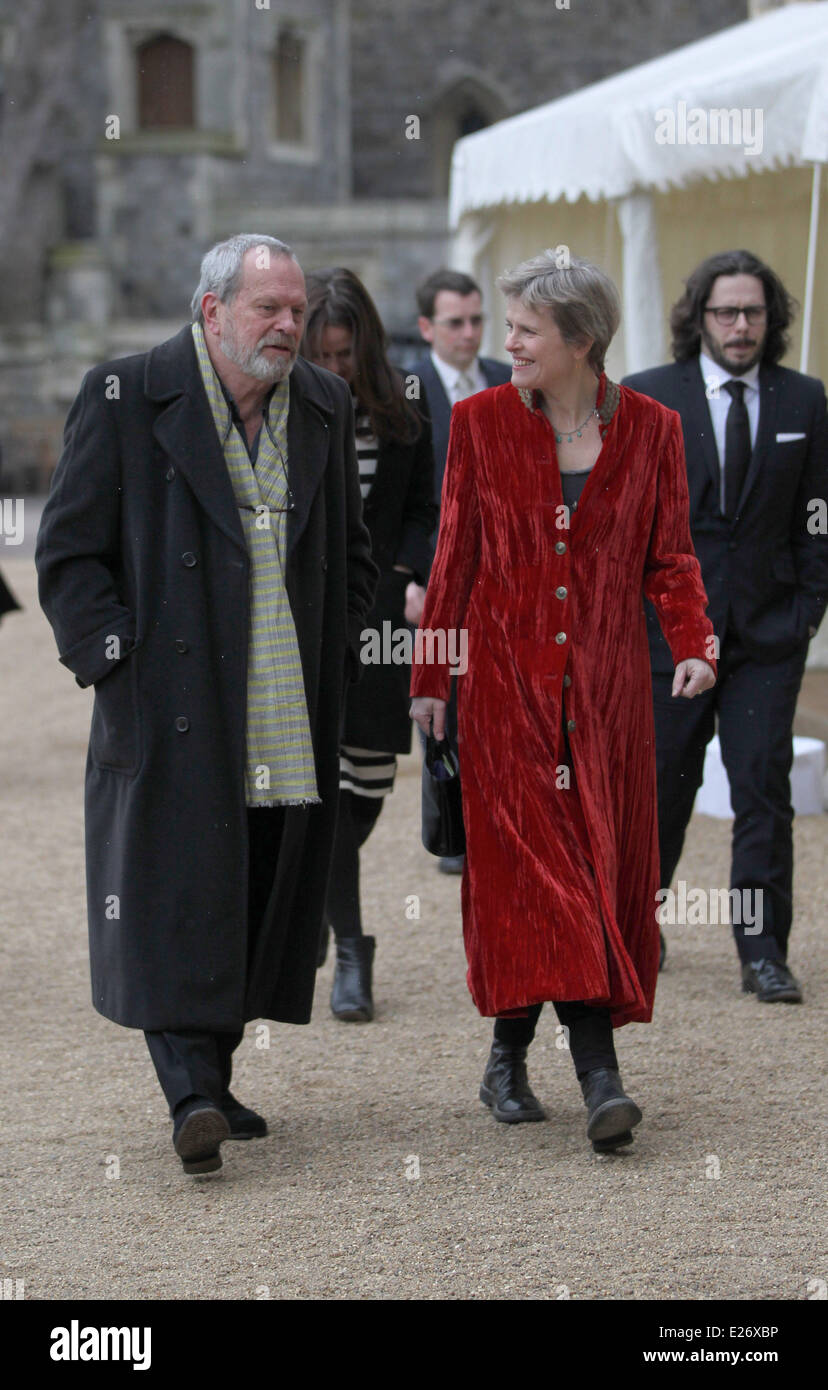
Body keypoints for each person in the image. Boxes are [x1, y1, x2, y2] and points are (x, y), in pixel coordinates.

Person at [35, 234, 377, 1175]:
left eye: (296, 310)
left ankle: (214, 1082)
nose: (286, 326)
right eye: (267, 307)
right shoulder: (126, 394)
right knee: (172, 891)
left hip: (285, 702)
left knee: (256, 887)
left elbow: (351, 553)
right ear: (211, 310)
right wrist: (119, 664)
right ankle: (189, 1091)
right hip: (173, 700)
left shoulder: (323, 401)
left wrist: (339, 652)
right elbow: (68, 554)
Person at [410, 250, 716, 1153]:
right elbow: (453, 560)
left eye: (526, 331)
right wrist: (432, 678)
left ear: (581, 340)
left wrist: (693, 643)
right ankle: (600, 1078)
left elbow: (672, 556)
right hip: (505, 698)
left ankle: (507, 1054)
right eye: (504, 328)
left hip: (611, 695)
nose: (507, 345)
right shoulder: (479, 425)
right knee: (534, 879)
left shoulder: (654, 430)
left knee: (587, 873)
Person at [624, 250, 828, 1004]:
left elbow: (818, 517)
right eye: (725, 312)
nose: (740, 326)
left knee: (763, 791)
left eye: (753, 312)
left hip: (768, 640)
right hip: (668, 638)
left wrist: (807, 610)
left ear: (770, 320)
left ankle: (763, 951)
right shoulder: (649, 397)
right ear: (699, 318)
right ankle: (635, 934)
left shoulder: (804, 401)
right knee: (660, 790)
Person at [302, 267, 436, 1020]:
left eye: (345, 354)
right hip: (304, 618)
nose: (334, 368)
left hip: (383, 613)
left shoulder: (405, 401)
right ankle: (352, 950)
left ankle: (320, 905)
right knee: (321, 788)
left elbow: (423, 505)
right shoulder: (284, 404)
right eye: (321, 355)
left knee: (370, 780)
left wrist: (413, 572)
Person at [412, 271, 511, 873]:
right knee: (441, 701)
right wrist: (411, 577)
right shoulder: (404, 389)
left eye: (477, 320)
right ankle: (454, 824)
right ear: (427, 327)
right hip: (434, 571)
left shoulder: (509, 378)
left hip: (504, 573)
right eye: (456, 322)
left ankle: (500, 817)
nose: (470, 333)